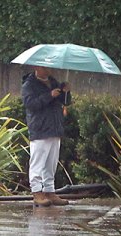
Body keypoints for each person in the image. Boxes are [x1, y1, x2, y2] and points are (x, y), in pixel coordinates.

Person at [21, 66, 72, 207]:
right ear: (37, 67)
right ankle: (37, 192)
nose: (49, 69)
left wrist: (66, 92)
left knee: (51, 162)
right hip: (40, 129)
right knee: (38, 162)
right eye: (45, 67)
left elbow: (65, 102)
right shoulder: (29, 85)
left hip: (55, 128)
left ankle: (50, 191)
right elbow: (30, 104)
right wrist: (50, 95)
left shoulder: (53, 81)